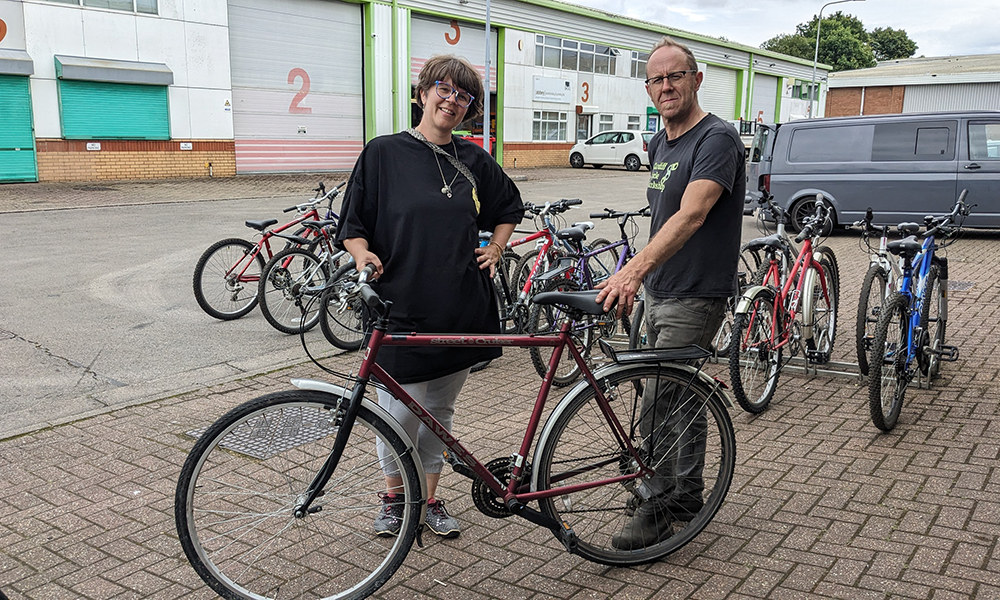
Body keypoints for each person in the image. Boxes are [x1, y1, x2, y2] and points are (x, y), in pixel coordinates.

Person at [336, 54, 524, 539]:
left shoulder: (475, 159)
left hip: (459, 303)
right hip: (398, 306)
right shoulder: (383, 153)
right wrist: (362, 257)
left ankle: (431, 497)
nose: (452, 100)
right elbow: (353, 226)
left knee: (438, 411)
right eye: (444, 88)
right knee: (396, 413)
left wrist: (497, 247)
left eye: (464, 96)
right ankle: (396, 498)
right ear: (422, 93)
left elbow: (509, 207)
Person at [595, 37, 745, 550]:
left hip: (696, 290)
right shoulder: (661, 143)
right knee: (676, 396)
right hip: (660, 287)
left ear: (696, 79)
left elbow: (693, 214)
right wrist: (644, 277)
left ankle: (655, 508)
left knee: (660, 399)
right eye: (656, 79)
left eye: (674, 76)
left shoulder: (717, 139)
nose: (665, 86)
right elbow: (662, 217)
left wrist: (630, 272)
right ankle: (685, 493)